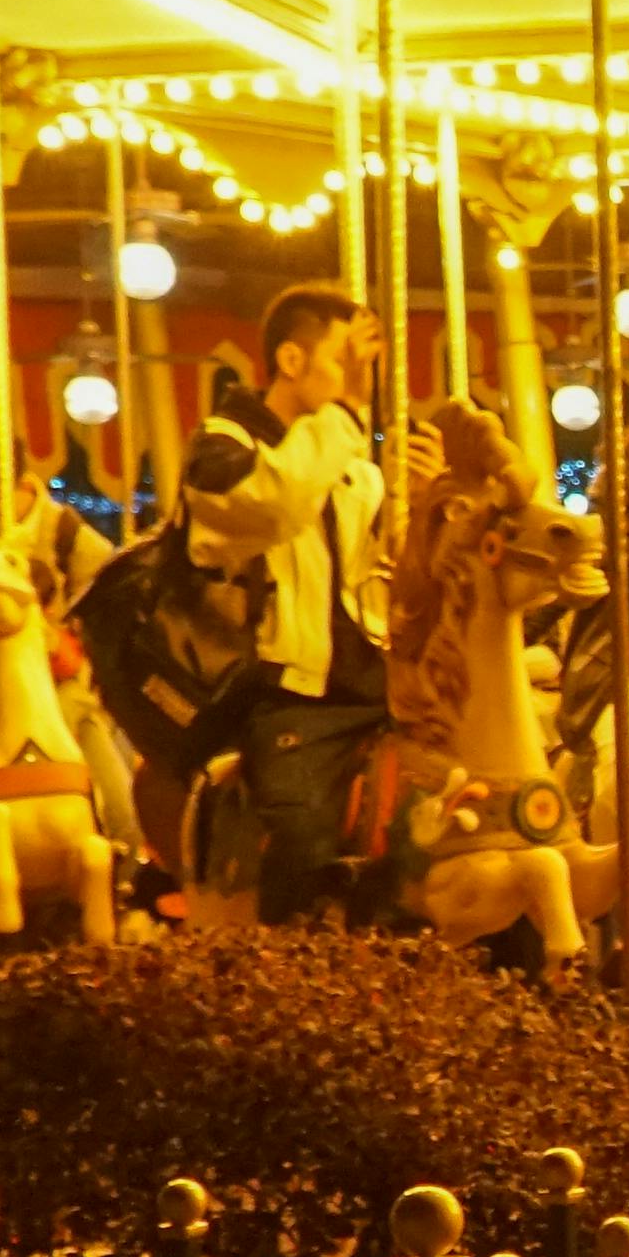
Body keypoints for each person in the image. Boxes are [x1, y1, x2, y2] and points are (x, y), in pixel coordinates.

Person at [177, 282, 402, 920]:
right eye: (342, 361)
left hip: (373, 681)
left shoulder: (354, 465)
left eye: (363, 368)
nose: (357, 381)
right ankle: (290, 963)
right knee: (303, 834)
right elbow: (277, 503)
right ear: (292, 361)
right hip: (287, 691)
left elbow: (377, 573)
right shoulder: (223, 452)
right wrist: (347, 410)